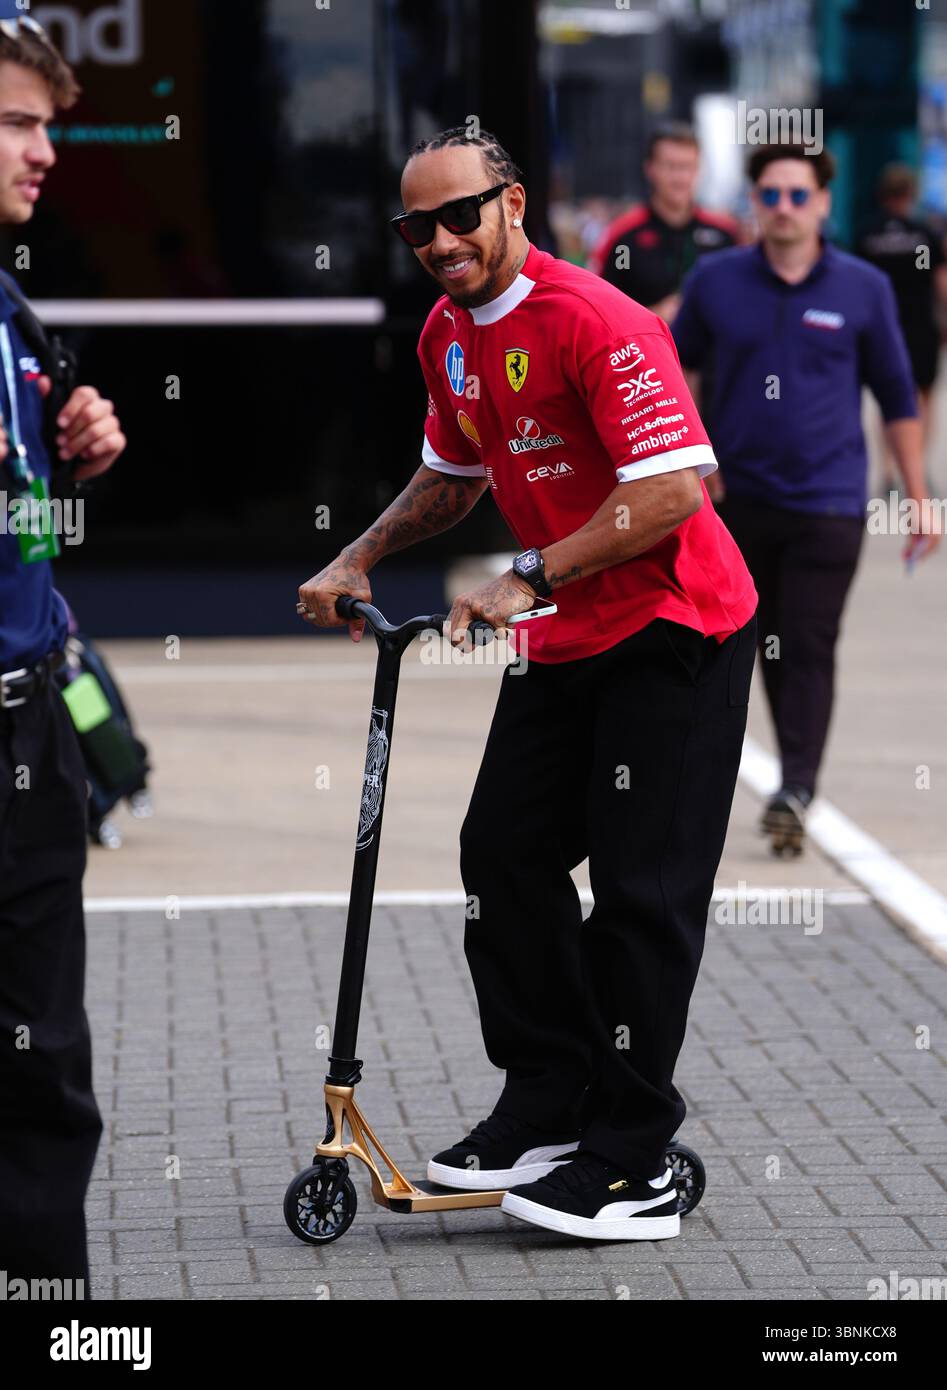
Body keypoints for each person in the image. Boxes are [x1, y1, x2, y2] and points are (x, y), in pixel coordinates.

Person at [298, 127, 758, 1242]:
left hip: (673, 630)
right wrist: (358, 555)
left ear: (511, 203)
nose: (441, 242)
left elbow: (677, 490)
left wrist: (528, 573)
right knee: (500, 855)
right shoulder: (449, 334)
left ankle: (630, 1154)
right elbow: (451, 476)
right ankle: (551, 1096)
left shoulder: (598, 319)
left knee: (641, 896)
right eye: (418, 227)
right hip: (567, 638)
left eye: (461, 216)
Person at [672, 143, 940, 854]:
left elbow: (896, 397)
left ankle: (795, 786)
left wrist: (917, 495)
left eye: (797, 195)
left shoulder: (861, 288)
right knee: (748, 642)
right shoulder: (715, 281)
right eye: (770, 195)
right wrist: (691, 466)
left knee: (809, 641)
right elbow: (673, 371)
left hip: (828, 503)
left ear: (823, 202)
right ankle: (751, 779)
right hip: (733, 505)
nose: (783, 208)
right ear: (752, 203)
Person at [0, 10, 127, 1296]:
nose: (46, 151)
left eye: (48, 123)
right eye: (20, 121)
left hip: (32, 727)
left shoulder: (8, 303)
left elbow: (27, 498)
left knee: (44, 1062)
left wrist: (69, 435)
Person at [587, 122, 740, 324]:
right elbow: (595, 308)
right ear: (650, 169)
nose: (680, 177)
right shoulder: (622, 237)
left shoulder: (724, 234)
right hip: (643, 351)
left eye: (687, 167)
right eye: (671, 166)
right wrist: (653, 316)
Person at [856, 164, 947, 490]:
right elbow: (941, 284)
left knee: (890, 400)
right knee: (923, 400)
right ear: (911, 194)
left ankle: (889, 472)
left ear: (882, 195)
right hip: (921, 328)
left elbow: (859, 286)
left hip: (884, 330)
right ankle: (918, 471)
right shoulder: (925, 234)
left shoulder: (868, 235)